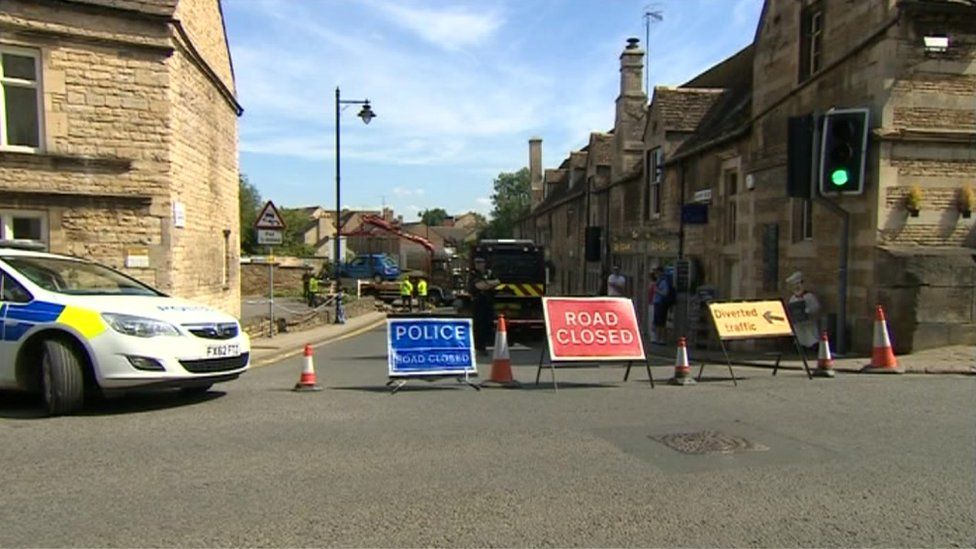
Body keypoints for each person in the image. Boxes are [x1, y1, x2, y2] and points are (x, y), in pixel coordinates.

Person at [470, 257, 500, 355]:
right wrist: (489, 284)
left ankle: (487, 344)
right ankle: (480, 347)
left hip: (488, 302)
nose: (478, 264)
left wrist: (487, 284)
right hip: (478, 303)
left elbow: (497, 282)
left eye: (480, 262)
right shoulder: (473, 274)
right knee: (479, 326)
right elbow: (478, 286)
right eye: (476, 263)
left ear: (484, 263)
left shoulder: (489, 273)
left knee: (488, 324)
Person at [786, 271, 821, 349]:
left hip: (809, 321)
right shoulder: (793, 298)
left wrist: (808, 311)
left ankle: (813, 345)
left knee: (810, 333)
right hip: (798, 323)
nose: (797, 287)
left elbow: (816, 307)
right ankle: (800, 345)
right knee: (799, 333)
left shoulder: (809, 296)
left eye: (799, 284)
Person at [651, 266, 673, 344]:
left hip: (661, 303)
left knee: (661, 323)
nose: (656, 274)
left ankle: (662, 339)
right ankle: (657, 338)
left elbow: (665, 293)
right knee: (657, 322)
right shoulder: (658, 281)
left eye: (657, 272)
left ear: (660, 273)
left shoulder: (663, 282)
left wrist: (657, 290)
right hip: (657, 303)